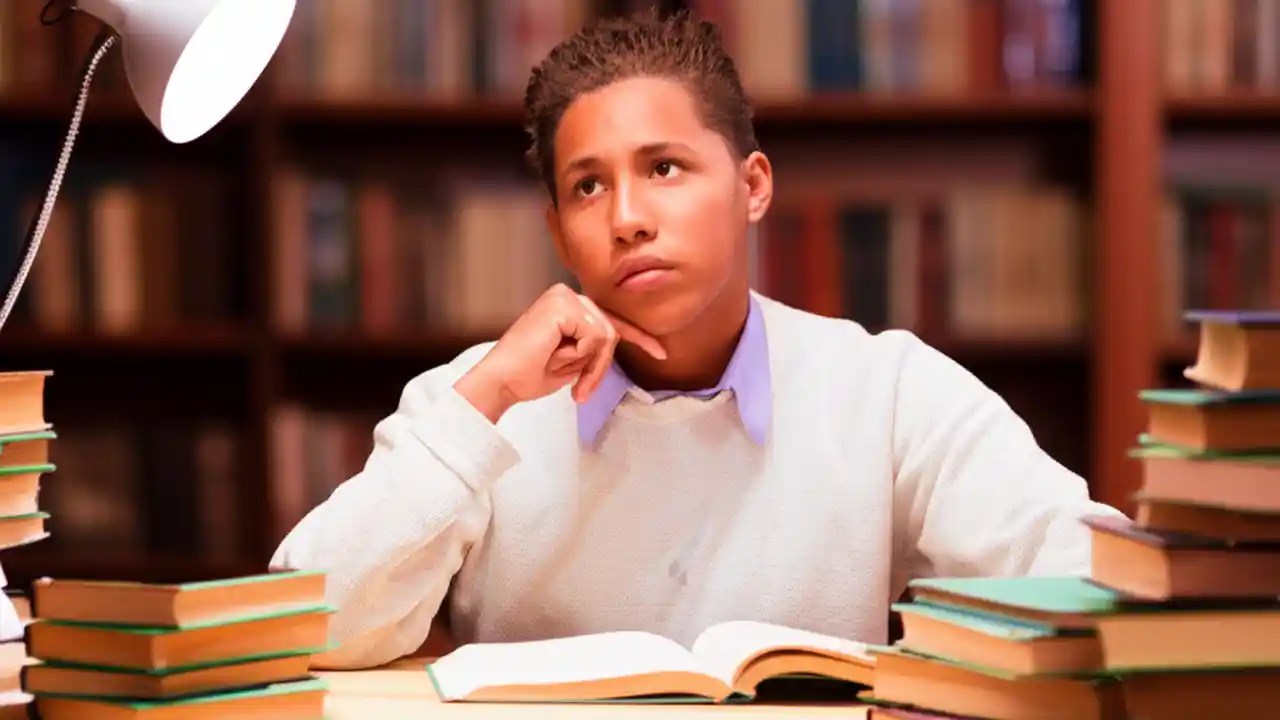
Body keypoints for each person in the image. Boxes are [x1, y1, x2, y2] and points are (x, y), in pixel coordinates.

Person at [271, 9, 1124, 669]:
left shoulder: (886, 390)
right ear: (558, 229)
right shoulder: (475, 401)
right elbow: (298, 628)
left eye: (664, 168)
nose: (628, 218)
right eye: (587, 187)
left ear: (752, 186)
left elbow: (1083, 583)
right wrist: (486, 399)